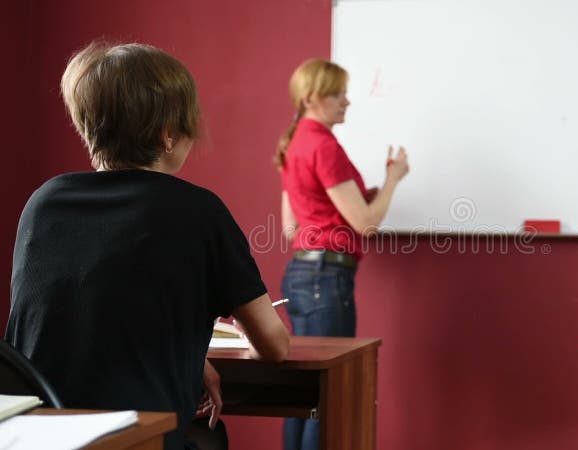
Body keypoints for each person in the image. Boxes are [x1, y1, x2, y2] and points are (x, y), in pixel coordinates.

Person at [3, 42, 290, 450]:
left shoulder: (44, 203)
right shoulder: (198, 211)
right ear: (168, 134)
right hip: (140, 436)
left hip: (41, 434)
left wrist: (194, 357)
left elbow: (83, 313)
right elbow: (274, 346)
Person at [274, 58, 409, 450]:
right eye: (339, 94)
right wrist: (392, 180)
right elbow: (366, 223)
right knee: (328, 395)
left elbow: (290, 228)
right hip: (325, 284)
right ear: (313, 98)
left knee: (305, 395)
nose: (347, 102)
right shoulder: (323, 145)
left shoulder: (295, 142)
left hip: (301, 277)